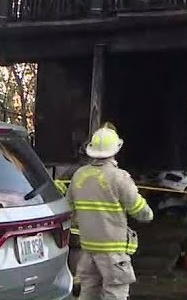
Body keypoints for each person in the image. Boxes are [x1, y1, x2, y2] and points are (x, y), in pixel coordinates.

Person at [66, 124, 153, 300]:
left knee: (88, 292)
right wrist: (148, 214)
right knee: (116, 293)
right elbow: (139, 210)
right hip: (113, 252)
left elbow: (69, 208)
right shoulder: (119, 177)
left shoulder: (78, 175)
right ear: (115, 150)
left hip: (88, 249)